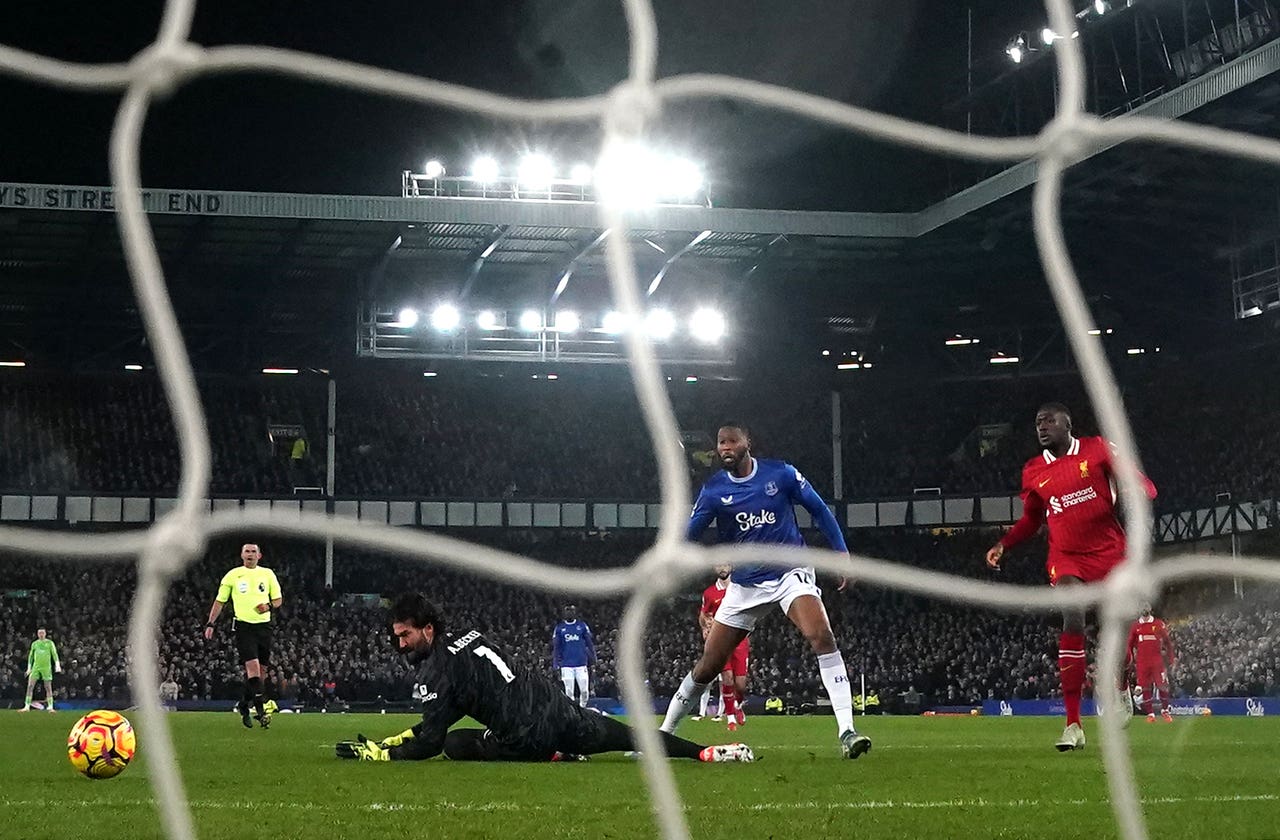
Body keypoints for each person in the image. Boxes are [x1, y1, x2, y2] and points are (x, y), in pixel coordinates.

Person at [659, 422, 871, 759]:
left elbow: (817, 509)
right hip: (744, 586)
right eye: (720, 443)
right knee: (707, 667)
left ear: (747, 443)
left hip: (790, 572)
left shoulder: (780, 474)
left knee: (821, 636)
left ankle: (847, 731)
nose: (724, 448)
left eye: (731, 441)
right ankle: (664, 736)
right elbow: (689, 533)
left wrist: (841, 552)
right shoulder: (714, 490)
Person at [335, 593, 753, 763]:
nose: (401, 644)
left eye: (405, 634)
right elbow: (457, 702)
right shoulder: (469, 635)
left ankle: (554, 754)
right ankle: (708, 752)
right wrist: (402, 734)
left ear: (427, 629)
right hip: (556, 705)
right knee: (627, 736)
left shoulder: (436, 669)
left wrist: (388, 753)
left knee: (454, 743)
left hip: (526, 737)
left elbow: (431, 737)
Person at [985, 403, 1157, 751]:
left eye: (1048, 420)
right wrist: (1004, 544)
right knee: (1073, 616)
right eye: (1037, 422)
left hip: (1111, 554)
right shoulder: (1034, 471)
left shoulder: (1096, 448)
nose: (1041, 426)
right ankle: (1073, 724)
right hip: (1066, 557)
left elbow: (1137, 481)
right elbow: (1033, 519)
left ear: (1068, 424)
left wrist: (1140, 492)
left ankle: (1121, 681)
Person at [204, 543, 283, 729]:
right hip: (243, 627)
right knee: (253, 670)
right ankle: (260, 709)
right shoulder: (233, 575)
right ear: (241, 555)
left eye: (253, 551)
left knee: (261, 674)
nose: (250, 554)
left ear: (259, 555)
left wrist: (268, 606)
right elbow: (220, 601)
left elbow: (278, 600)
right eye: (247, 551)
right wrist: (210, 623)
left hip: (264, 627)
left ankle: (243, 705)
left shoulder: (267, 574)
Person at [700, 564, 751, 732]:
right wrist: (705, 628)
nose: (722, 568)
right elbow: (704, 615)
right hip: (720, 641)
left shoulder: (741, 588)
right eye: (718, 566)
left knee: (741, 685)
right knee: (727, 679)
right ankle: (730, 718)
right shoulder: (709, 593)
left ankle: (738, 705)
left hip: (740, 639)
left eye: (725, 565)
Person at [1126, 604, 1176, 723]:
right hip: (1142, 662)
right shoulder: (1136, 626)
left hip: (1157, 661)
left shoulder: (1158, 624)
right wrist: (1130, 659)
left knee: (1162, 685)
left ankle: (1165, 711)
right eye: (1142, 608)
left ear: (1150, 610)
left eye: (1146, 608)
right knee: (1145, 688)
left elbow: (1168, 642)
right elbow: (1129, 645)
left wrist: (1171, 658)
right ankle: (1151, 714)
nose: (1144, 610)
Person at [551, 604, 595, 708]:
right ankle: (572, 712)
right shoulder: (559, 628)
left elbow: (589, 643)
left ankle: (582, 708)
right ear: (564, 614)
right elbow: (556, 647)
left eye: (571, 611)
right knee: (569, 692)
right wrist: (555, 662)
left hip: (581, 663)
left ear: (574, 613)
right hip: (566, 665)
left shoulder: (582, 626)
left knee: (584, 691)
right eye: (567, 611)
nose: (569, 613)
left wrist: (594, 656)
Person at [21, 628, 61, 712]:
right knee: (30, 686)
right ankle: (27, 706)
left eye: (42, 633)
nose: (41, 634)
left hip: (46, 668)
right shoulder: (35, 644)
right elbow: (31, 656)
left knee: (48, 687)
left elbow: (54, 654)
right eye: (39, 633)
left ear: (45, 633)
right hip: (36, 667)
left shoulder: (50, 643)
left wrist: (57, 665)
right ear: (37, 634)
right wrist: (29, 668)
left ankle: (50, 706)